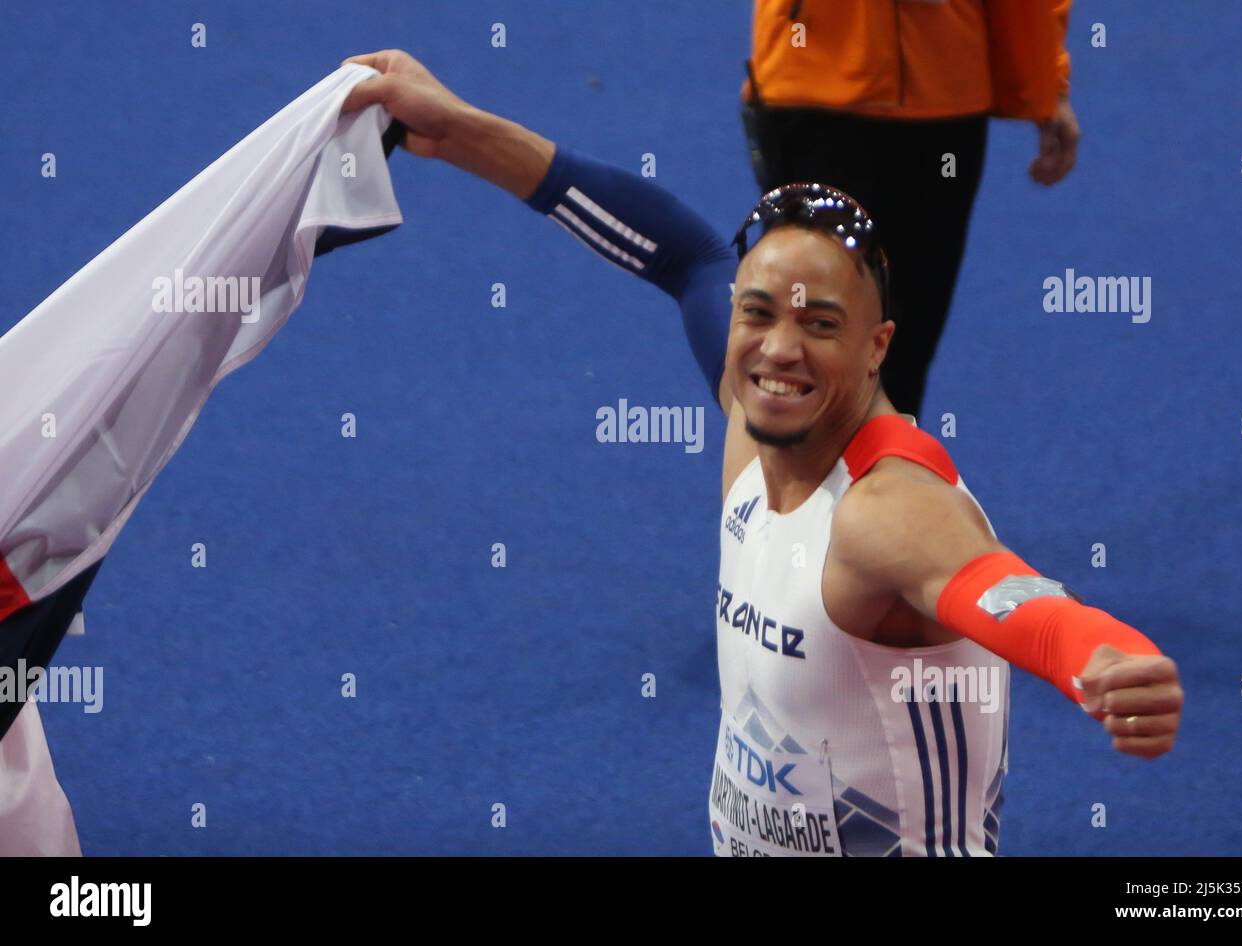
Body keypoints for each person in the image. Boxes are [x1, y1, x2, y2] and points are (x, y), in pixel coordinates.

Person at [340, 49, 1181, 857]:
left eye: (820, 324)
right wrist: (453, 130)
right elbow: (683, 254)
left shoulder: (888, 510)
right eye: (759, 313)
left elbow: (1014, 599)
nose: (779, 349)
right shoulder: (757, 432)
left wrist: (1101, 657)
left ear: (878, 346)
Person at [740, 0, 1081, 418]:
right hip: (817, 85)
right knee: (803, 340)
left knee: (902, 349)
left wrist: (1047, 77)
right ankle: (791, 481)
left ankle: (883, 479)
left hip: (945, 96)